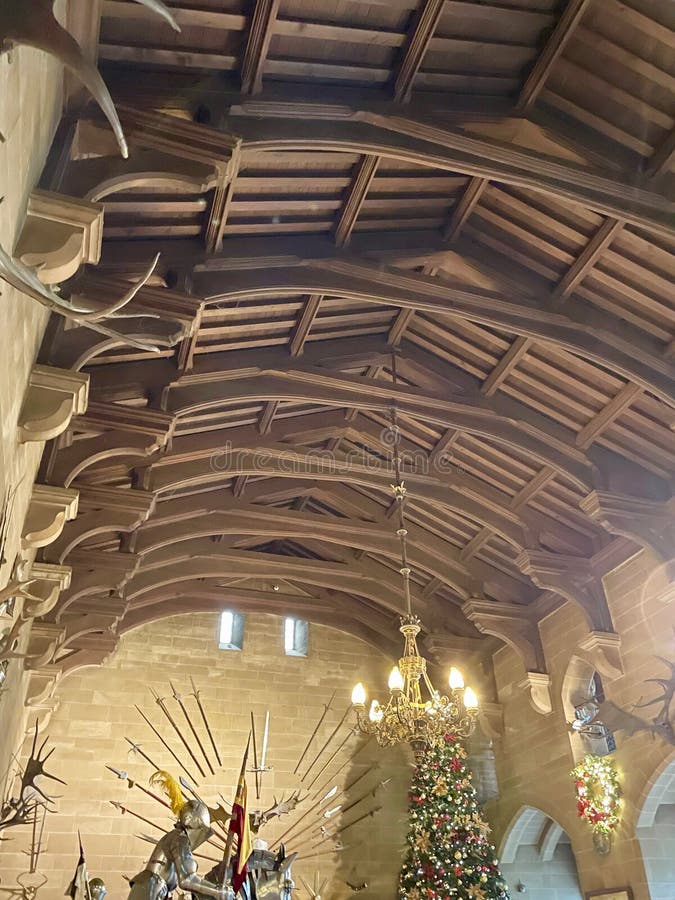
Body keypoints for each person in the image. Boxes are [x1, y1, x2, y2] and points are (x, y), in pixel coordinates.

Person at [127, 772, 233, 900]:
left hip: (154, 889)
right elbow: (187, 879)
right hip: (151, 890)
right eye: (200, 829)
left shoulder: (175, 836)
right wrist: (217, 891)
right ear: (190, 821)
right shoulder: (180, 839)